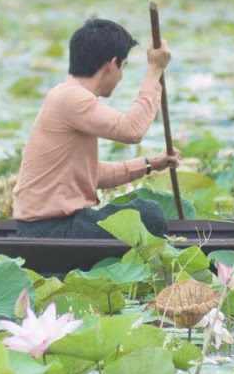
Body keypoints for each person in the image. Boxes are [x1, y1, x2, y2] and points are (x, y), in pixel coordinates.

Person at [12, 17, 181, 238]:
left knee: (143, 212)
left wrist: (150, 164)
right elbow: (132, 130)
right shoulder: (71, 98)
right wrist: (154, 70)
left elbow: (91, 173)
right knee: (149, 214)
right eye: (123, 67)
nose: (121, 76)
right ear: (111, 65)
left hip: (51, 226)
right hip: (49, 230)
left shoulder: (67, 95)